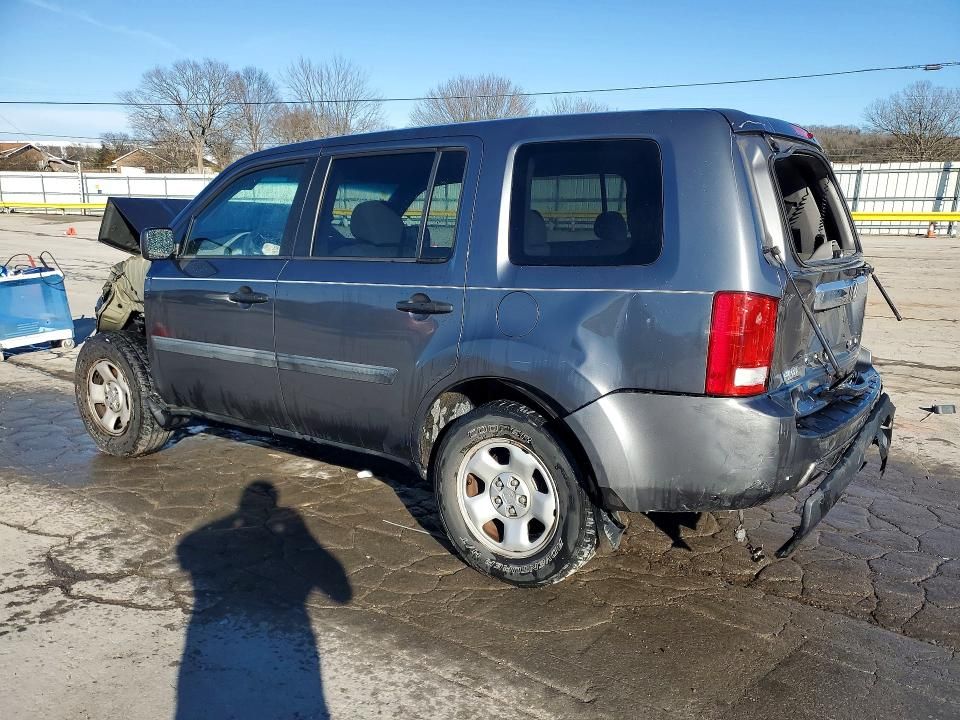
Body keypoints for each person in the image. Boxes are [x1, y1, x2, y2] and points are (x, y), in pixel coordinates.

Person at [175, 481, 352, 720]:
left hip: (215, 636)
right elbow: (343, 594)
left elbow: (185, 553)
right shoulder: (288, 530)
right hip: (289, 635)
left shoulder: (202, 536)